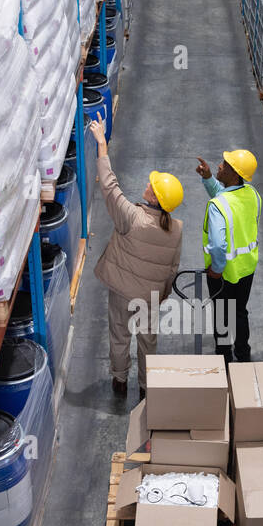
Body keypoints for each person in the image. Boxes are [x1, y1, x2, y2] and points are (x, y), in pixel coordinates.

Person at [89, 116, 184, 399]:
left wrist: (102, 143)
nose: (146, 185)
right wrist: (164, 293)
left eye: (151, 187)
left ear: (155, 199)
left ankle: (119, 382)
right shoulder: (176, 229)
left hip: (122, 294)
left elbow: (109, 187)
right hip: (150, 297)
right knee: (148, 341)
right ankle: (146, 387)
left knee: (120, 336)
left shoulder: (132, 217)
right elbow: (172, 267)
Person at [196, 149, 261, 363]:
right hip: (246, 268)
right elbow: (227, 196)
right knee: (240, 312)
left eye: (224, 165)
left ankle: (224, 360)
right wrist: (208, 179)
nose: (219, 166)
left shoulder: (217, 208)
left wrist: (216, 269)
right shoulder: (252, 194)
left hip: (223, 274)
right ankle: (243, 356)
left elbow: (217, 245)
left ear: (234, 173)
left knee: (223, 315)